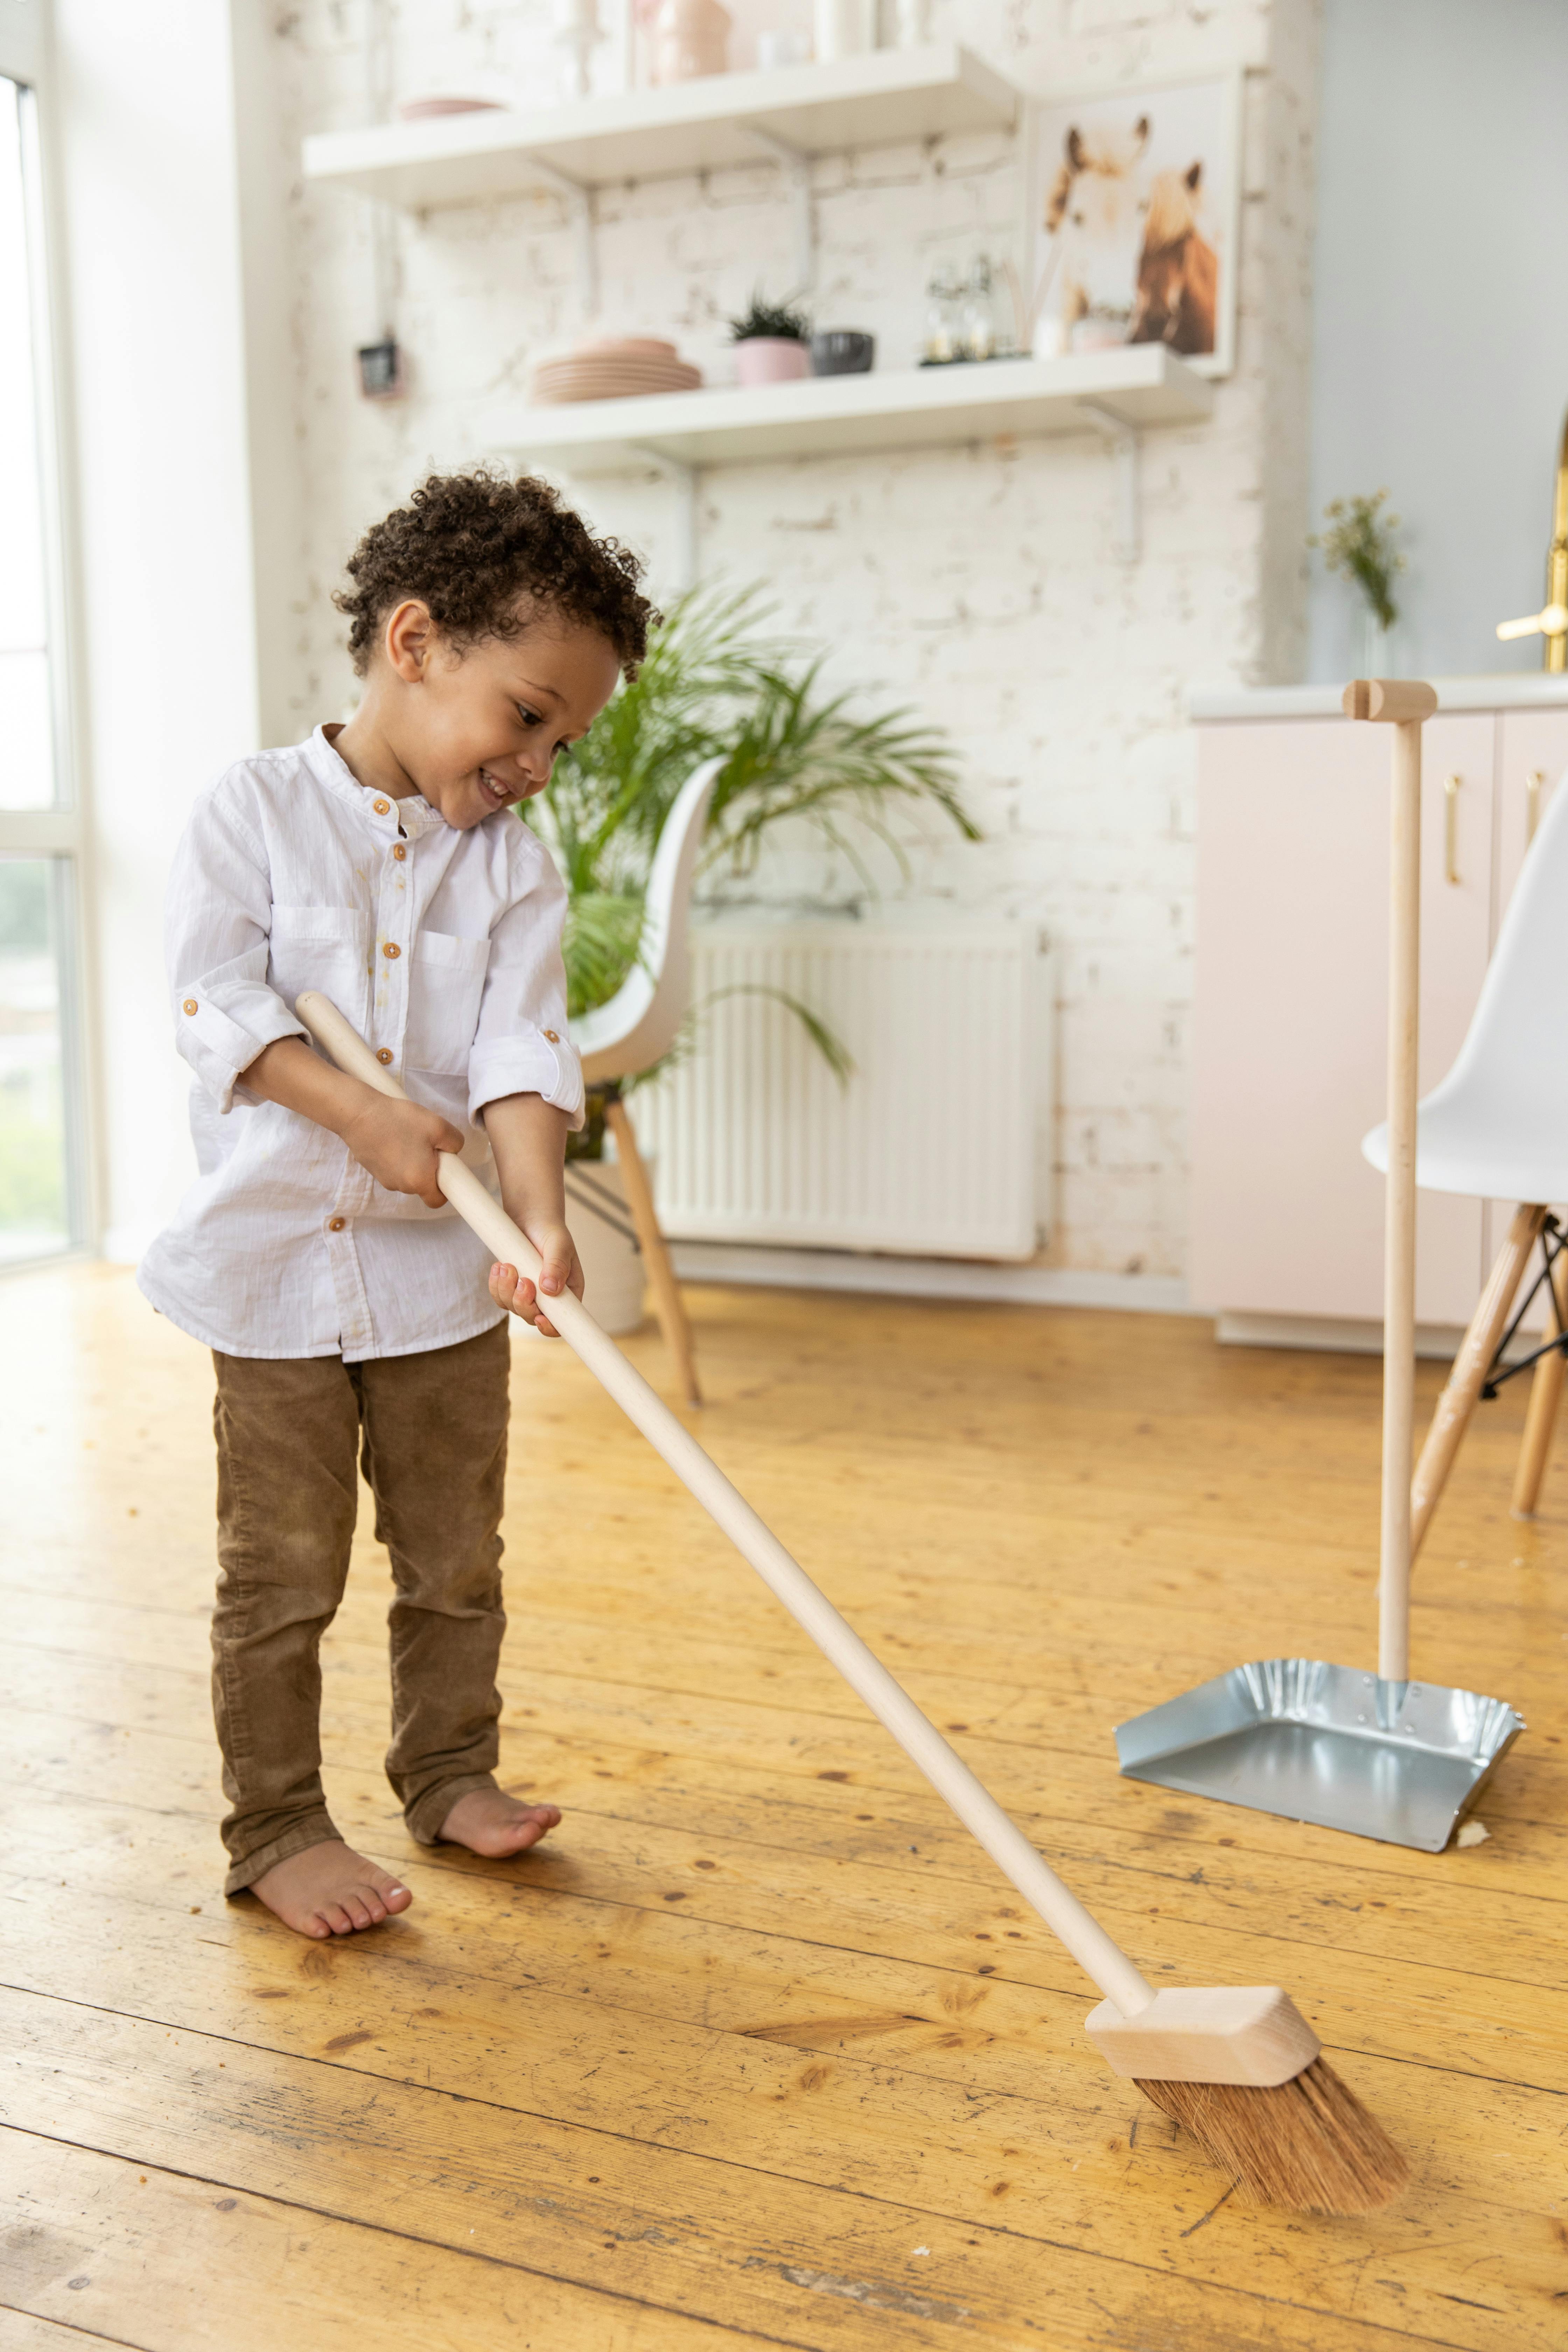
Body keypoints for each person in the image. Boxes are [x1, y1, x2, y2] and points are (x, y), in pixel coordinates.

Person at [138, 471, 653, 1940]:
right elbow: (212, 1002)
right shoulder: (253, 811)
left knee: (454, 1557)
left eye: (565, 736)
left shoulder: (512, 866)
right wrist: (358, 1108)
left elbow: (519, 1049)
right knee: (284, 1569)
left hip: (439, 1277)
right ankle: (280, 1827)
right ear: (414, 643)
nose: (541, 759)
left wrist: (539, 1215)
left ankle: (448, 1773)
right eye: (529, 713)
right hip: (275, 1278)